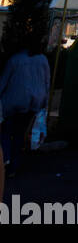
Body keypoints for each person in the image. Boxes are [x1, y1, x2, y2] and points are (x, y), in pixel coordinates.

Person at [0, 38, 46, 177]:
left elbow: (3, 82)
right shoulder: (42, 59)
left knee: (6, 132)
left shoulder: (15, 60)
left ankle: (6, 159)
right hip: (33, 103)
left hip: (13, 102)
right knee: (19, 134)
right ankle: (13, 165)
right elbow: (46, 81)